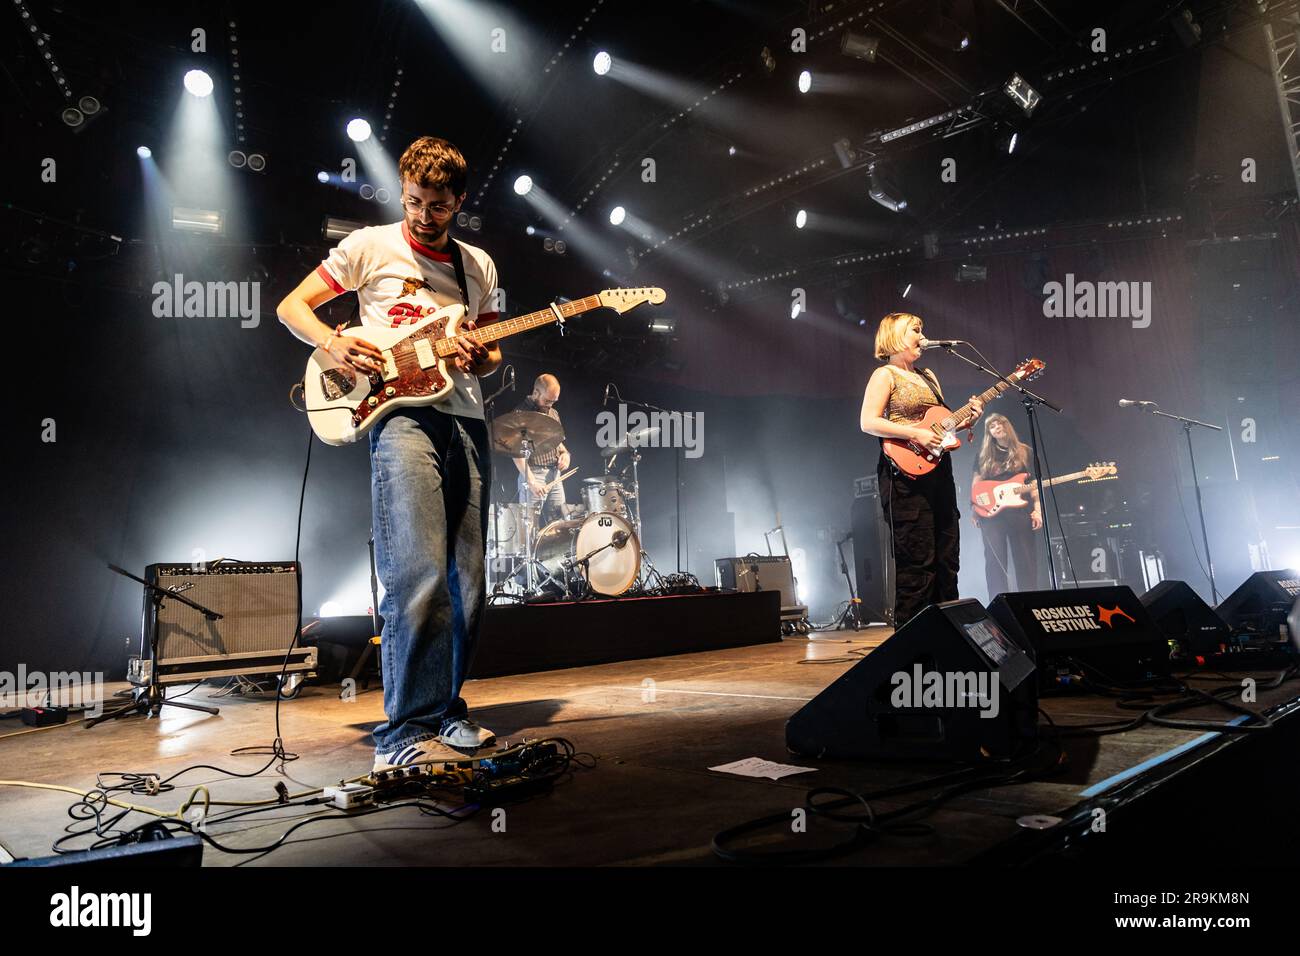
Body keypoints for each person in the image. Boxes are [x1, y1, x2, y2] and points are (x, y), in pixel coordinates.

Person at [276, 136, 502, 771]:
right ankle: (405, 727)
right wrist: (330, 345)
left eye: (437, 205)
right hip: (401, 417)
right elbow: (292, 306)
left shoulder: (477, 265)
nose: (423, 215)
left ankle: (445, 709)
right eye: (413, 201)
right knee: (417, 573)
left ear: (459, 201)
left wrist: (478, 354)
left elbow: (490, 350)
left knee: (468, 581)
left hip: (466, 419)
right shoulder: (369, 245)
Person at [859, 312, 983, 626]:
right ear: (895, 336)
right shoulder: (884, 374)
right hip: (905, 478)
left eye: (922, 329)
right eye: (915, 329)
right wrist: (915, 433)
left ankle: (948, 638)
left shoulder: (928, 375)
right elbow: (868, 422)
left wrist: (968, 419)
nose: (922, 335)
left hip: (940, 473)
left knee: (946, 559)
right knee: (918, 562)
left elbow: (941, 424)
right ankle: (913, 648)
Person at [972, 413, 1041, 597]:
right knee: (995, 562)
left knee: (1026, 559)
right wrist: (975, 510)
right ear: (989, 433)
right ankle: (998, 603)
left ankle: (1029, 601)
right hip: (992, 516)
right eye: (992, 426)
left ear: (1007, 425)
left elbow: (1033, 484)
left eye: (1000, 423)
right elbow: (976, 485)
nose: (997, 427)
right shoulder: (984, 455)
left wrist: (1038, 510)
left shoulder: (1025, 451)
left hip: (1020, 511)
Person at [512, 374, 571, 527]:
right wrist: (531, 482)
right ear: (536, 393)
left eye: (553, 401)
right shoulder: (520, 414)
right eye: (547, 401)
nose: (550, 405)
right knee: (530, 528)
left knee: (560, 527)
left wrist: (566, 455)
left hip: (554, 474)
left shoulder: (553, 413)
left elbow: (559, 444)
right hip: (533, 473)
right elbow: (516, 453)